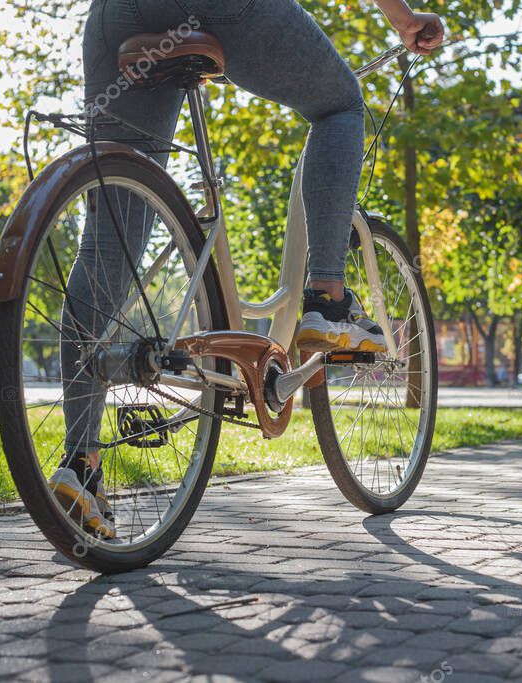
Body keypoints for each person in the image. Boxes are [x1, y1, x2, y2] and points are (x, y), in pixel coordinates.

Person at [48, 0, 445, 537]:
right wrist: (403, 19)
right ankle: (327, 301)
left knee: (111, 236)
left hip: (116, 13)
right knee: (340, 107)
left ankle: (80, 466)